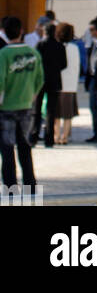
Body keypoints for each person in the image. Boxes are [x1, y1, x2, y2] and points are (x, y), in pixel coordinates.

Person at [0, 16, 43, 193]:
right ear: (21, 31)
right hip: (26, 107)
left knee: (8, 150)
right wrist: (31, 96)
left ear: (4, 32)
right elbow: (40, 80)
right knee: (25, 149)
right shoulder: (33, 54)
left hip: (6, 109)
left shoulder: (3, 54)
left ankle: (11, 191)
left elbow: (0, 82)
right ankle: (31, 189)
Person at [33, 22, 65, 148]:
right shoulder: (60, 46)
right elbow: (64, 64)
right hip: (55, 80)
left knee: (37, 109)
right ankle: (49, 138)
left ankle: (34, 136)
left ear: (45, 32)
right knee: (51, 110)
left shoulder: (40, 44)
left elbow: (35, 62)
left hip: (41, 80)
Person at [54, 22, 79, 144]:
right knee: (68, 114)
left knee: (56, 113)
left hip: (58, 84)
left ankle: (56, 135)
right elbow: (77, 67)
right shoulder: (74, 48)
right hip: (71, 84)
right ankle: (65, 137)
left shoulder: (57, 47)